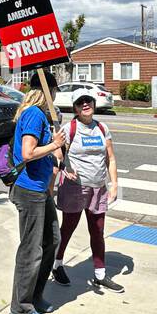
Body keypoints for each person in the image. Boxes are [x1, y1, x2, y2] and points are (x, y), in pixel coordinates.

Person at [7, 69, 65, 314]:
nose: (55, 97)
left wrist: (54, 152)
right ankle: (20, 306)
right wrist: (54, 145)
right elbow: (28, 152)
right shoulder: (33, 114)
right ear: (47, 93)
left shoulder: (40, 115)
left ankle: (35, 295)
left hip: (40, 189)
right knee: (31, 249)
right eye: (54, 92)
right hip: (28, 190)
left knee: (52, 239)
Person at [52, 93, 121, 291]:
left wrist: (114, 183)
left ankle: (100, 274)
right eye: (80, 103)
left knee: (97, 230)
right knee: (68, 228)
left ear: (93, 105)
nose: (85, 105)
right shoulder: (69, 129)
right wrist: (65, 168)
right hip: (75, 188)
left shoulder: (102, 128)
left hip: (98, 188)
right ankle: (56, 265)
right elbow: (58, 153)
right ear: (75, 108)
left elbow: (111, 158)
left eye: (88, 101)